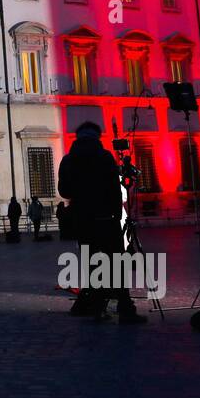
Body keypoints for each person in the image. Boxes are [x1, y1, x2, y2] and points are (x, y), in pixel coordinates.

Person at [58, 121, 145, 324]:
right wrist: (117, 216)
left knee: (93, 265)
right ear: (97, 137)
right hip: (107, 220)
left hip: (83, 221)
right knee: (116, 264)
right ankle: (125, 308)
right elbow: (115, 192)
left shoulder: (68, 160)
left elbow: (64, 192)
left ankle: (98, 309)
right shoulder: (105, 157)